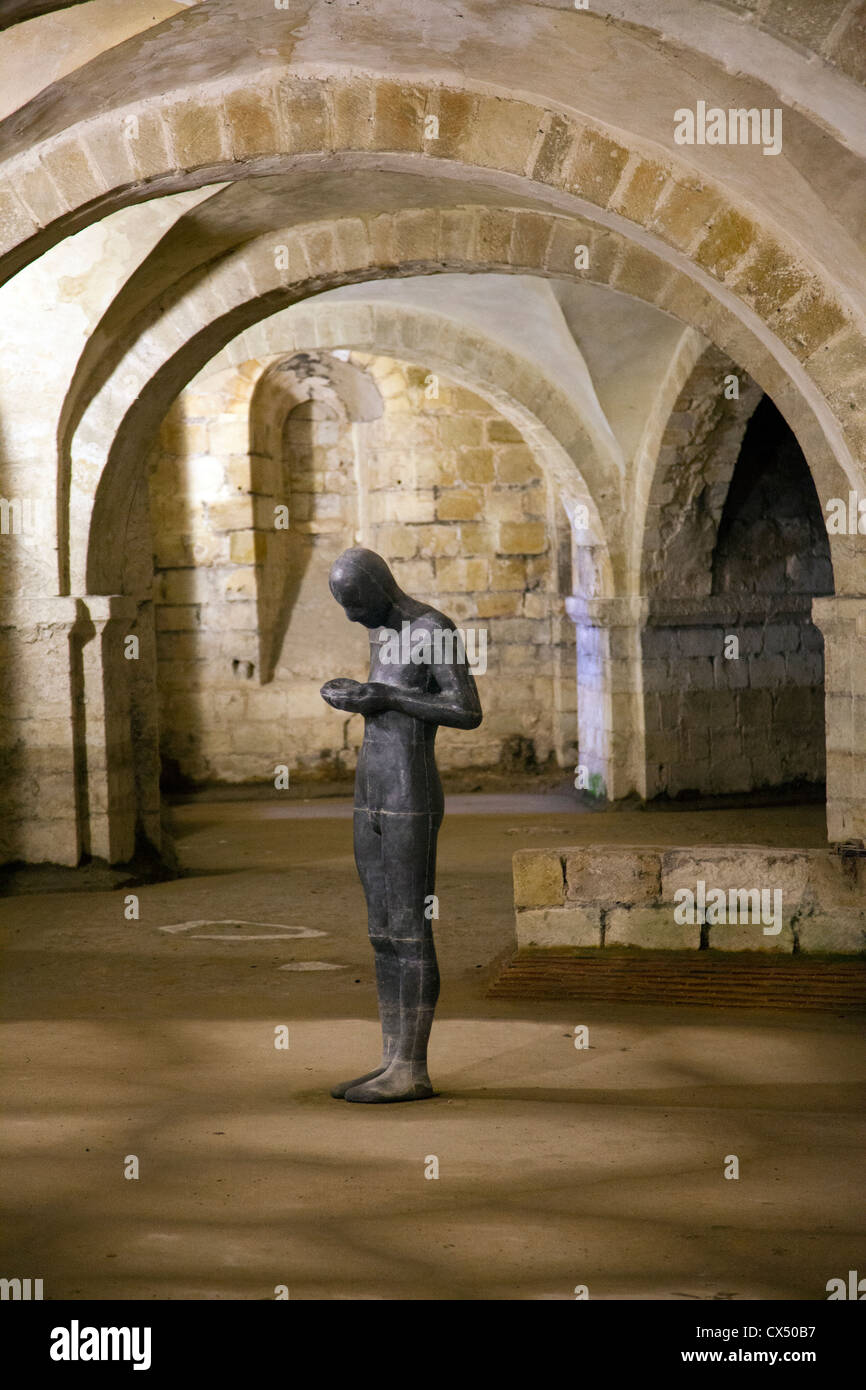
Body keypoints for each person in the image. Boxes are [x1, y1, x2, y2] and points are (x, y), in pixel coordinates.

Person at [320, 547, 482, 1102]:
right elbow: (387, 701)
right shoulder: (380, 632)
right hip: (372, 788)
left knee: (410, 930)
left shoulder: (433, 629)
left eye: (356, 604)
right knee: (381, 932)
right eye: (343, 607)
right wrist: (359, 697)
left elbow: (466, 710)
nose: (352, 617)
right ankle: (390, 1058)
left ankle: (412, 1068)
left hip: (411, 790)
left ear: (380, 587)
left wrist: (386, 696)